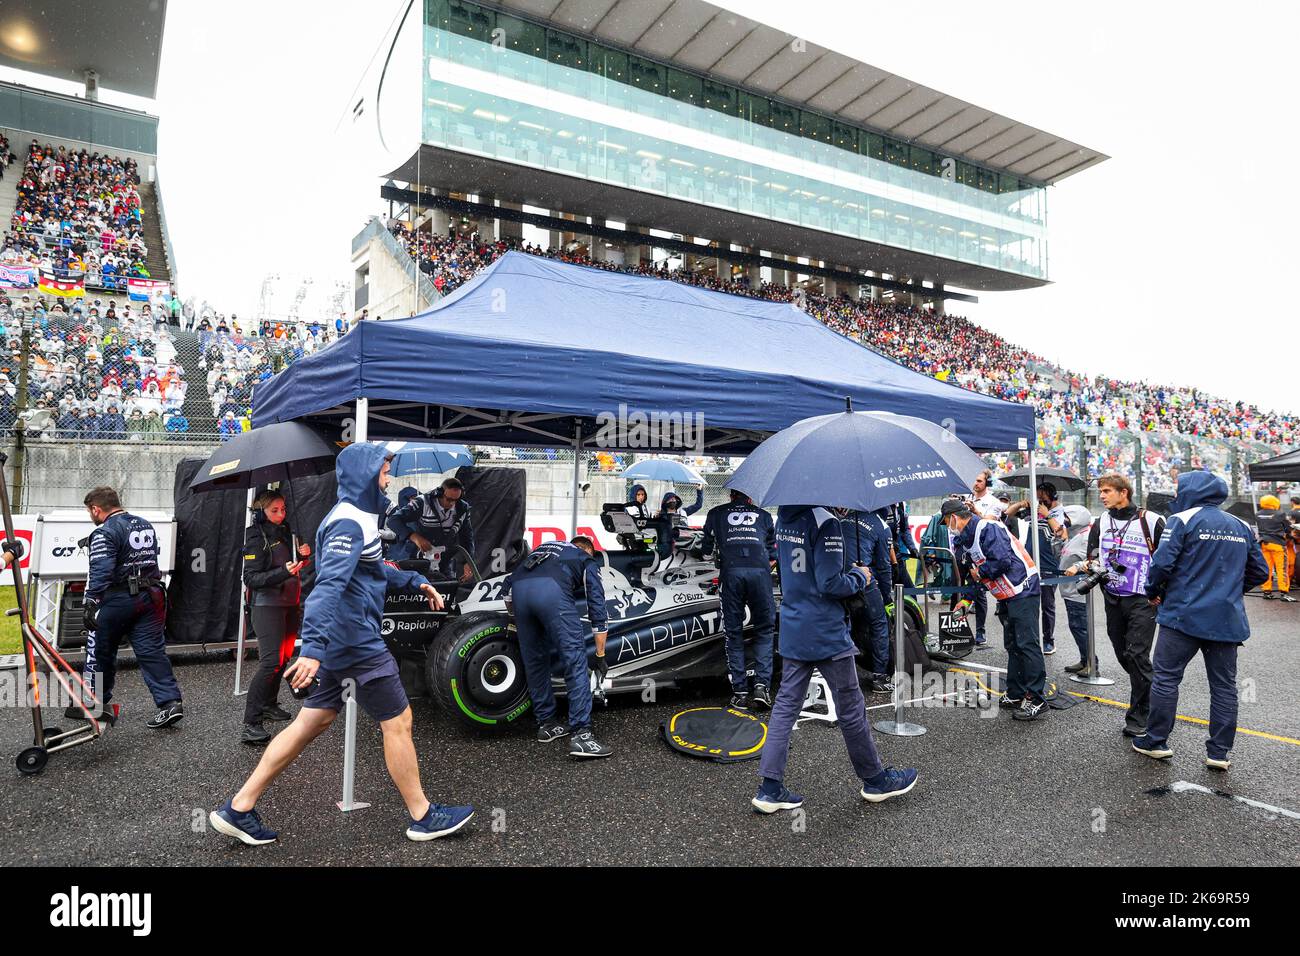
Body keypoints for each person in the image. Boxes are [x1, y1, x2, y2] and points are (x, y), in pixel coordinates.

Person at [210, 443, 472, 845]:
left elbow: (373, 567)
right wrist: (311, 650)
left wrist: (415, 581)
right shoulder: (348, 524)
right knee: (398, 722)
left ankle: (239, 807)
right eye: (384, 471)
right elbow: (328, 587)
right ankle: (422, 815)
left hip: (343, 641)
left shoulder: (361, 521)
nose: (389, 479)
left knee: (309, 722)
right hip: (355, 642)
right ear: (366, 475)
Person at [752, 503, 918, 814]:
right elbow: (831, 584)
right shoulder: (825, 521)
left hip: (794, 624)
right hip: (826, 631)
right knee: (851, 706)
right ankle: (875, 780)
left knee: (786, 705)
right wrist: (859, 575)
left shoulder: (785, 516)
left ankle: (769, 788)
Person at [1133, 471, 1270, 769]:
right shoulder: (1241, 525)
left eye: (1179, 487)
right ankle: (1219, 753)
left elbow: (1161, 565)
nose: (1175, 493)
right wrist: (1230, 591)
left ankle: (1156, 741)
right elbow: (1261, 573)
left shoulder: (1181, 519)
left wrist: (1153, 592)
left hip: (1183, 616)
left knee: (1167, 678)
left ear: (1191, 490)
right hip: (1226, 620)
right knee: (1224, 687)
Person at [69, 486, 183, 729]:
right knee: (151, 652)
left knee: (101, 651)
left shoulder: (105, 531)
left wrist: (90, 602)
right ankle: (170, 703)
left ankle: (96, 703)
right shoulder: (144, 524)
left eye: (91, 512)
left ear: (95, 509)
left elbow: (101, 570)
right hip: (151, 597)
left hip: (119, 599)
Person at [1064, 474, 1165, 737]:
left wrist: (1162, 591)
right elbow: (1093, 554)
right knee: (1123, 654)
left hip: (1143, 598)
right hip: (1112, 596)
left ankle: (1140, 716)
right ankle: (1154, 694)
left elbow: (1166, 559)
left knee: (1137, 654)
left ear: (1124, 492)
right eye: (1101, 491)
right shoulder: (1102, 521)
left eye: (1107, 491)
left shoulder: (1151, 520)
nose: (1102, 495)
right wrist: (1089, 566)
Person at [505, 535, 611, 758]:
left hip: (520, 593)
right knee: (575, 661)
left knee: (535, 662)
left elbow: (508, 587)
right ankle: (582, 736)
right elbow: (597, 607)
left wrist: (520, 617)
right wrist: (600, 655)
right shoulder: (586, 559)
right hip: (551, 594)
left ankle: (546, 724)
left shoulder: (541, 549)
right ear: (588, 551)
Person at [944, 498, 1048, 721]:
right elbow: (971, 577)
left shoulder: (988, 528)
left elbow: (1002, 561)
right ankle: (1016, 692)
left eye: (946, 522)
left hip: (1024, 589)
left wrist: (980, 574)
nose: (947, 528)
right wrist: (966, 602)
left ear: (953, 517)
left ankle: (1036, 698)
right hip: (1005, 594)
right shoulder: (963, 541)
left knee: (1027, 643)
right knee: (1012, 644)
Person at [239, 491, 313, 746]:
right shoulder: (254, 537)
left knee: (283, 658)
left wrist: (304, 556)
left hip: (290, 603)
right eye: (274, 511)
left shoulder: (288, 533)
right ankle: (251, 723)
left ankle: (269, 705)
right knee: (271, 662)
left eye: (283, 509)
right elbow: (251, 579)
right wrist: (282, 572)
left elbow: (294, 563)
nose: (281, 515)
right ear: (261, 512)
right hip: (266, 606)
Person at [700, 490, 777, 709]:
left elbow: (705, 550)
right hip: (760, 575)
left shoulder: (716, 512)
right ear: (750, 498)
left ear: (731, 496)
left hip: (731, 575)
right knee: (764, 630)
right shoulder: (763, 515)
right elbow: (773, 554)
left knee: (733, 632)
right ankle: (762, 687)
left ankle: (741, 692)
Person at [835, 506, 893, 692]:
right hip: (862, 579)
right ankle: (880, 677)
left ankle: (843, 674)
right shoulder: (882, 526)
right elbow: (884, 567)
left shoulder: (841, 520)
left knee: (843, 625)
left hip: (837, 579)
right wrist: (886, 598)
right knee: (879, 624)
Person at [1004, 488, 1063, 655]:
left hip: (1049, 567)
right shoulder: (1034, 512)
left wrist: (1047, 514)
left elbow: (1062, 533)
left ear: (1053, 497)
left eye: (1042, 498)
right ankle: (1031, 637)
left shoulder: (1060, 513)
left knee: (1047, 604)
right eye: (1037, 499)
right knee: (1028, 603)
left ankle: (1049, 639)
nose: (1039, 502)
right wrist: (1023, 504)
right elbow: (1008, 514)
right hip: (1030, 564)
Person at [392, 477, 476, 584]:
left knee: (447, 592)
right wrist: (415, 537)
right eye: (449, 499)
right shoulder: (423, 502)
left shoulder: (463, 509)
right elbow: (394, 520)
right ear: (440, 493)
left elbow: (467, 537)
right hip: (419, 560)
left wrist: (468, 562)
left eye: (456, 500)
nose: (452, 504)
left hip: (445, 561)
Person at [965, 469, 1005, 647]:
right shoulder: (967, 497)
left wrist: (975, 511)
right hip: (963, 548)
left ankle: (980, 630)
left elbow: (990, 523)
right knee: (958, 589)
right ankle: (956, 630)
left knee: (979, 591)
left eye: (980, 481)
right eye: (975, 480)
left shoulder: (994, 502)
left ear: (987, 483)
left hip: (982, 552)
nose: (976, 484)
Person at [1056, 505, 1095, 673]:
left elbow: (1093, 560)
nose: (1063, 520)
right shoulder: (1074, 536)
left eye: (1067, 517)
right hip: (1069, 590)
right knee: (1076, 627)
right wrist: (1057, 539)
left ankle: (1092, 664)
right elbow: (1060, 555)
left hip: (1078, 592)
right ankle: (1084, 659)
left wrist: (1078, 566)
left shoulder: (1086, 537)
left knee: (1081, 628)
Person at [1255, 495, 1294, 601]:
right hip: (1277, 544)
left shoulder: (1258, 514)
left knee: (1267, 569)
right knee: (1282, 569)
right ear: (1274, 502)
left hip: (1264, 544)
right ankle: (1284, 593)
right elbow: (1288, 528)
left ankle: (1267, 592)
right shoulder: (1280, 514)